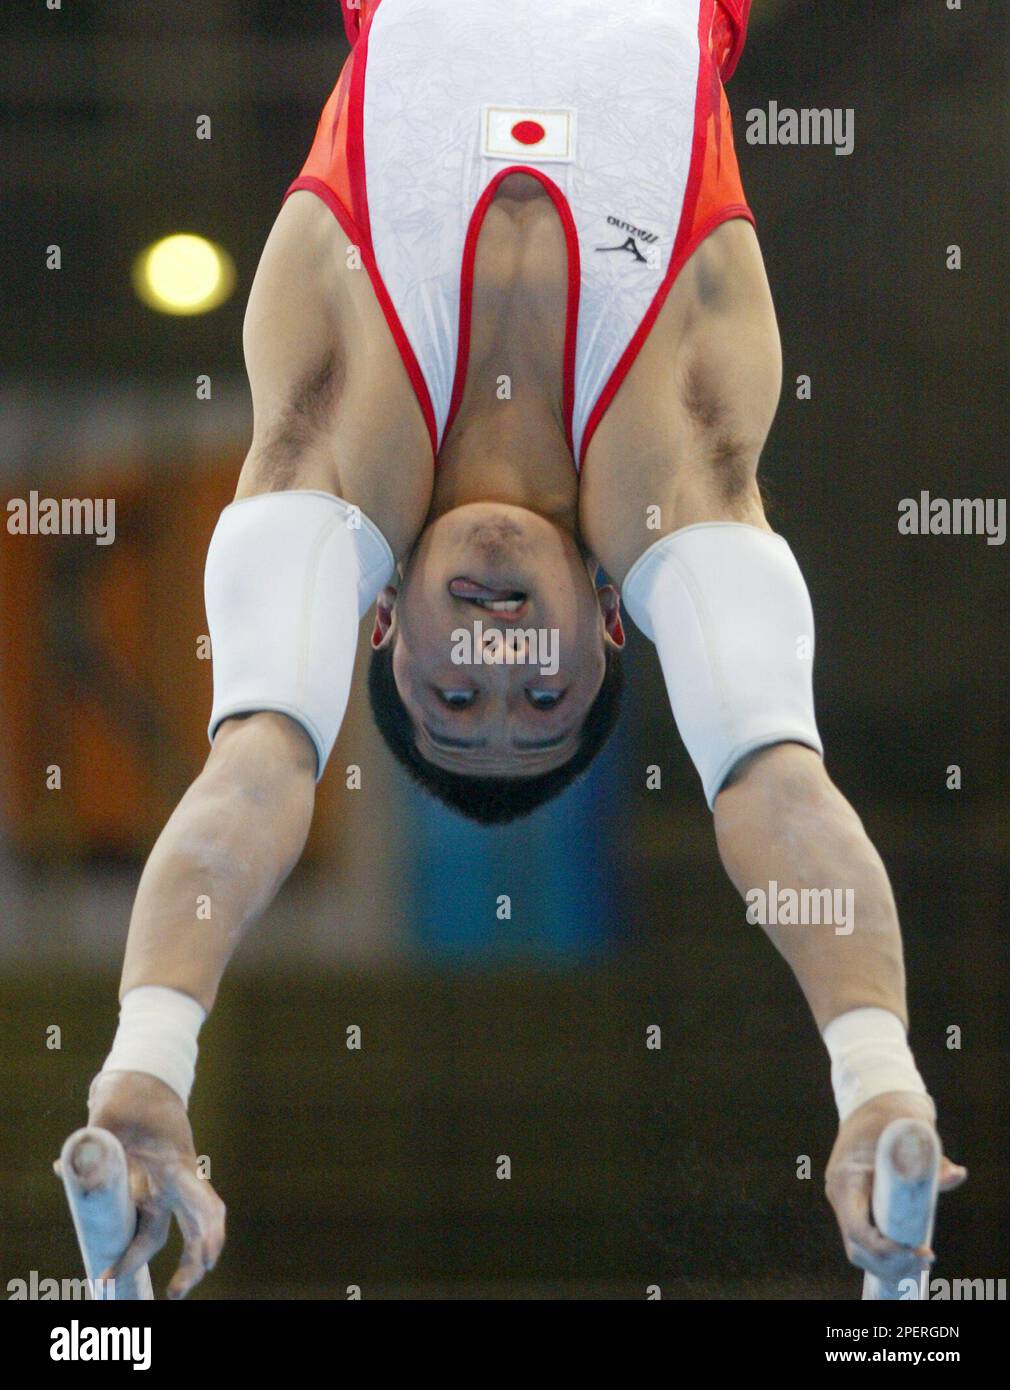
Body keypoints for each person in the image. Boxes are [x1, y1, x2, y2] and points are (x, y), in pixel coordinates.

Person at [84, 0, 965, 1298]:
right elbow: (773, 780)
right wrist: (874, 1073)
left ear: (375, 626)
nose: (495, 660)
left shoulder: (326, 442)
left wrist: (149, 1056)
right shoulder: (679, 452)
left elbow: (257, 767)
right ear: (616, 624)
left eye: (451, 693)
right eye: (541, 692)